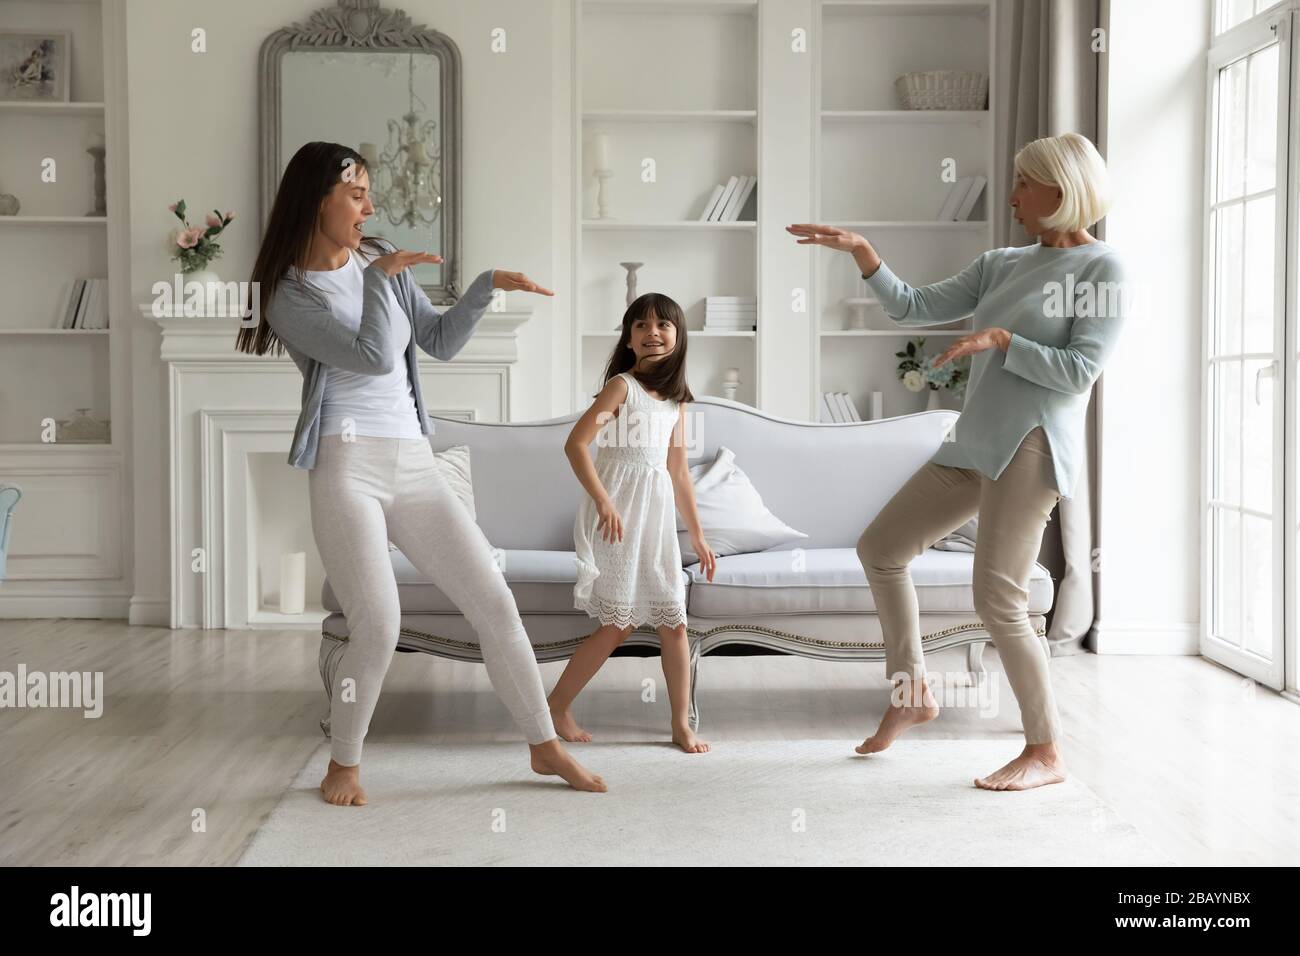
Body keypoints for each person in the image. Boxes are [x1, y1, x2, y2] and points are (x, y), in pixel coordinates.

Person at [236, 141, 607, 804]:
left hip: (413, 461)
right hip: (347, 468)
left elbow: (437, 341)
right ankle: (342, 764)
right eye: (356, 194)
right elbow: (373, 357)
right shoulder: (287, 296)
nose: (369, 207)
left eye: (369, 193)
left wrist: (484, 288)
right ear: (316, 198)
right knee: (378, 623)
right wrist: (379, 284)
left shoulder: (380, 260)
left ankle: (544, 747)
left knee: (494, 603)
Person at [787, 131, 1128, 791]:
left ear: (1063, 190)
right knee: (882, 547)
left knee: (997, 597)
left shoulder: (1102, 270)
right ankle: (911, 689)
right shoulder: (1002, 263)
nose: (1013, 196)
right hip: (974, 441)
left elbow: (1080, 370)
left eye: (1024, 183)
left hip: (1031, 444)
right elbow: (913, 307)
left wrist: (1004, 339)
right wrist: (864, 255)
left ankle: (1046, 750)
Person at [548, 293, 717, 753]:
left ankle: (680, 724)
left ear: (678, 337)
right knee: (616, 625)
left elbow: (679, 471)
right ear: (628, 338)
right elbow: (576, 444)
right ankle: (557, 705)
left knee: (674, 621)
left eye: (663, 325)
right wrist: (603, 502)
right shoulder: (621, 387)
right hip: (617, 515)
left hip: (655, 518)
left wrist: (699, 537)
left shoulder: (678, 400)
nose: (652, 333)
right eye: (641, 326)